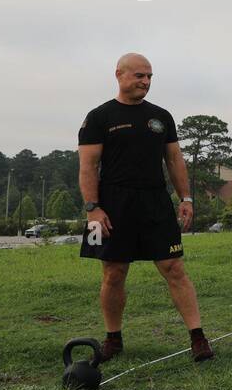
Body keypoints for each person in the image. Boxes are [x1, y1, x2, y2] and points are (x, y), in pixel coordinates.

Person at [77, 53, 214, 363]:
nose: (146, 82)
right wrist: (92, 209)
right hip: (112, 204)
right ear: (119, 74)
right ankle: (113, 339)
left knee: (174, 268)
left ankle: (198, 338)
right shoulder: (99, 117)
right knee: (114, 272)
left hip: (155, 201)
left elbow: (175, 160)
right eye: (140, 75)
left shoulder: (161, 117)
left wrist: (186, 198)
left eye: (150, 76)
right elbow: (88, 166)